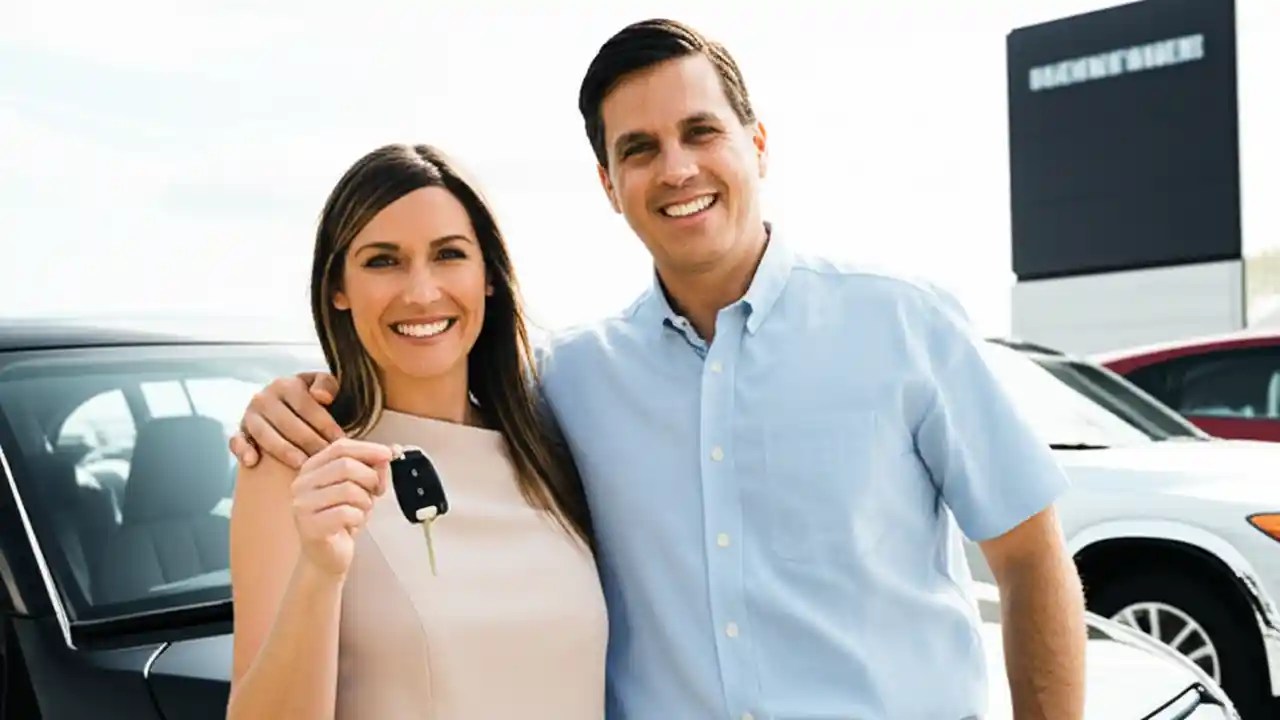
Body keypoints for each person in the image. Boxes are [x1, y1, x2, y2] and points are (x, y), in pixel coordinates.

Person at [232, 19, 1087, 720]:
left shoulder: (904, 324)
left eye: (700, 132)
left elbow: (1028, 555)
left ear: (756, 143)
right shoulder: (571, 383)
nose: (675, 169)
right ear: (608, 183)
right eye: (639, 149)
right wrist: (300, 400)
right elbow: (428, 376)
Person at [225, 143, 607, 720]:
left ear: (488, 278)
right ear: (338, 288)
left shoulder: (549, 445)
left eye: (448, 254)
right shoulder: (294, 462)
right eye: (383, 261)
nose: (421, 291)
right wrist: (320, 572)